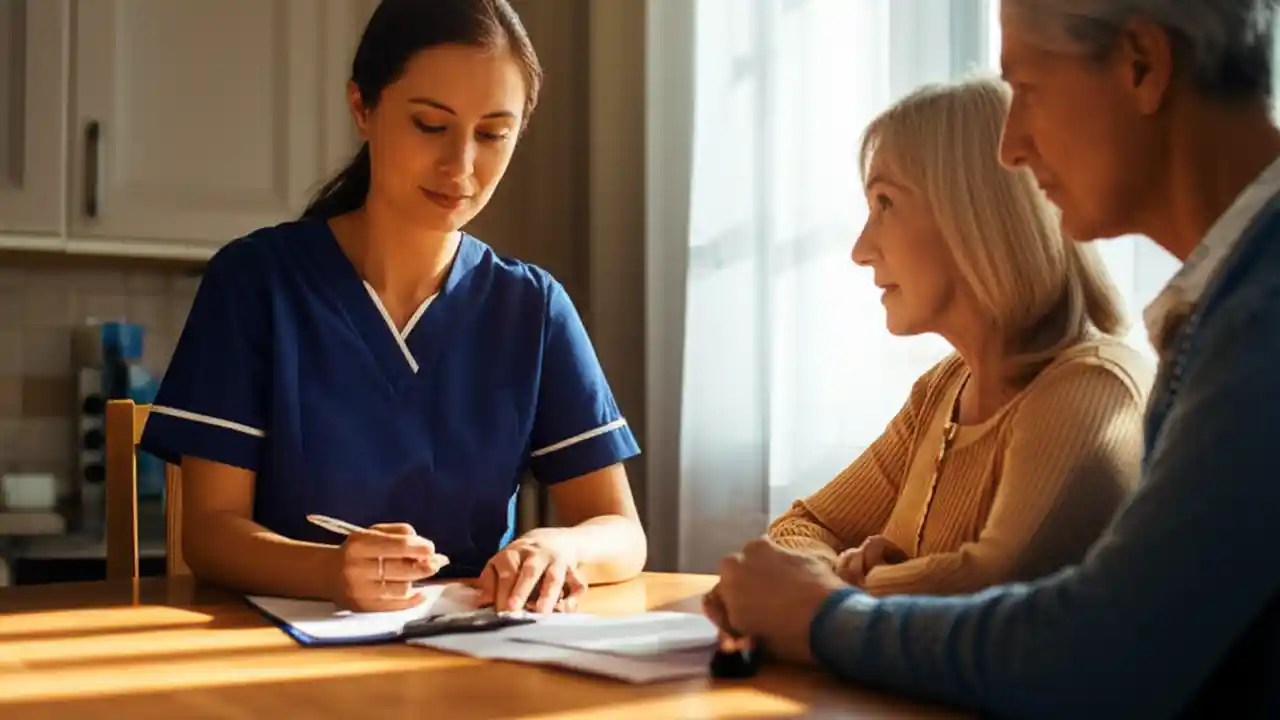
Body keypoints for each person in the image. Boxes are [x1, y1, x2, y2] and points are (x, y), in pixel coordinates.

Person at [707, 0, 1280, 717]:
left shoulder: (1258, 321)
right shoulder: (1231, 308)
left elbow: (1107, 649)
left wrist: (823, 614)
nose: (1009, 147)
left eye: (1027, 90)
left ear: (1142, 66)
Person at [140, 0, 646, 615]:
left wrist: (560, 546)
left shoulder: (532, 309)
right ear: (363, 107)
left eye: (492, 134)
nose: (461, 166)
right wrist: (331, 571)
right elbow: (211, 534)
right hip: (273, 655)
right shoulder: (256, 284)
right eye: (431, 126)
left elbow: (620, 530)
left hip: (467, 659)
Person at [766, 78, 1151, 598]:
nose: (860, 249)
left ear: (973, 215)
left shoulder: (1093, 390)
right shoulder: (946, 387)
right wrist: (841, 575)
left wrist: (858, 583)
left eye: (885, 203)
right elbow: (799, 529)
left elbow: (988, 588)